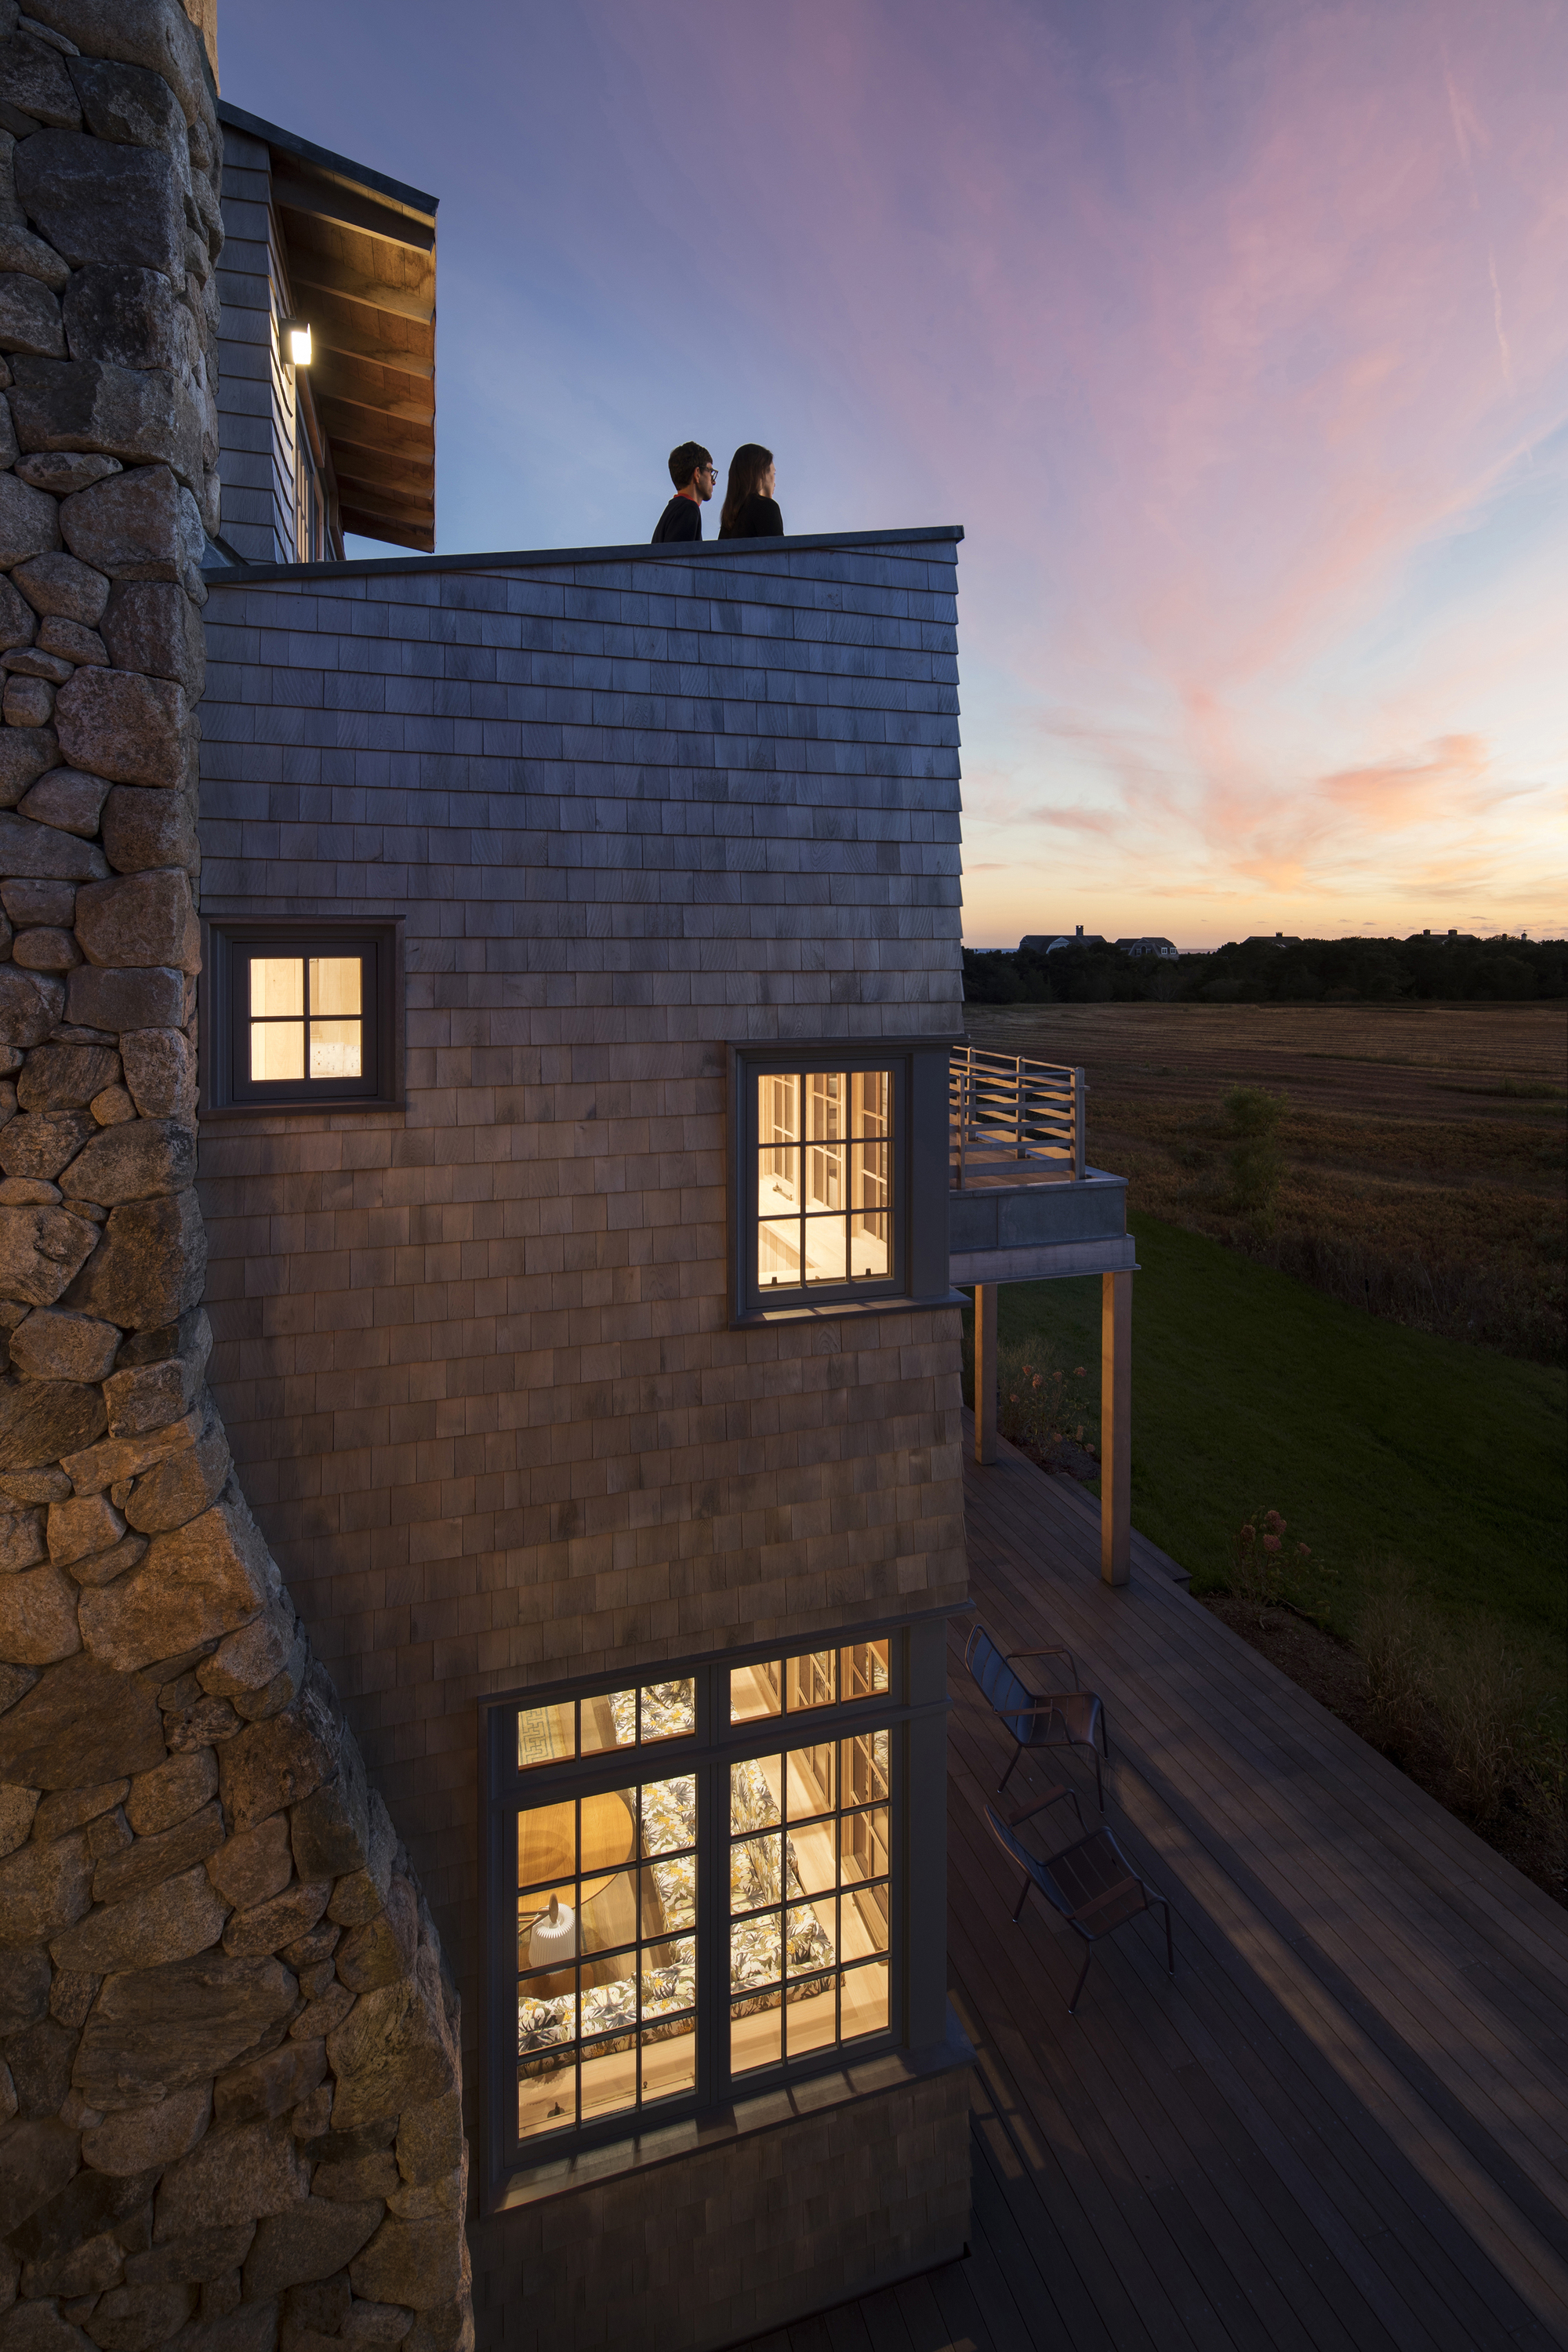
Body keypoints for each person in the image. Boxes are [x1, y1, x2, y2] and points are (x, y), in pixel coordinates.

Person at [652, 442, 716, 543]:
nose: (714, 482)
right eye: (710, 472)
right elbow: (679, 553)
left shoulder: (675, 509)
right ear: (697, 474)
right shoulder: (688, 509)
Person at [718, 445, 783, 538]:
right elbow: (778, 547)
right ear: (762, 472)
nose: (775, 483)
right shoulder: (768, 508)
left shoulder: (729, 520)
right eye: (774, 473)